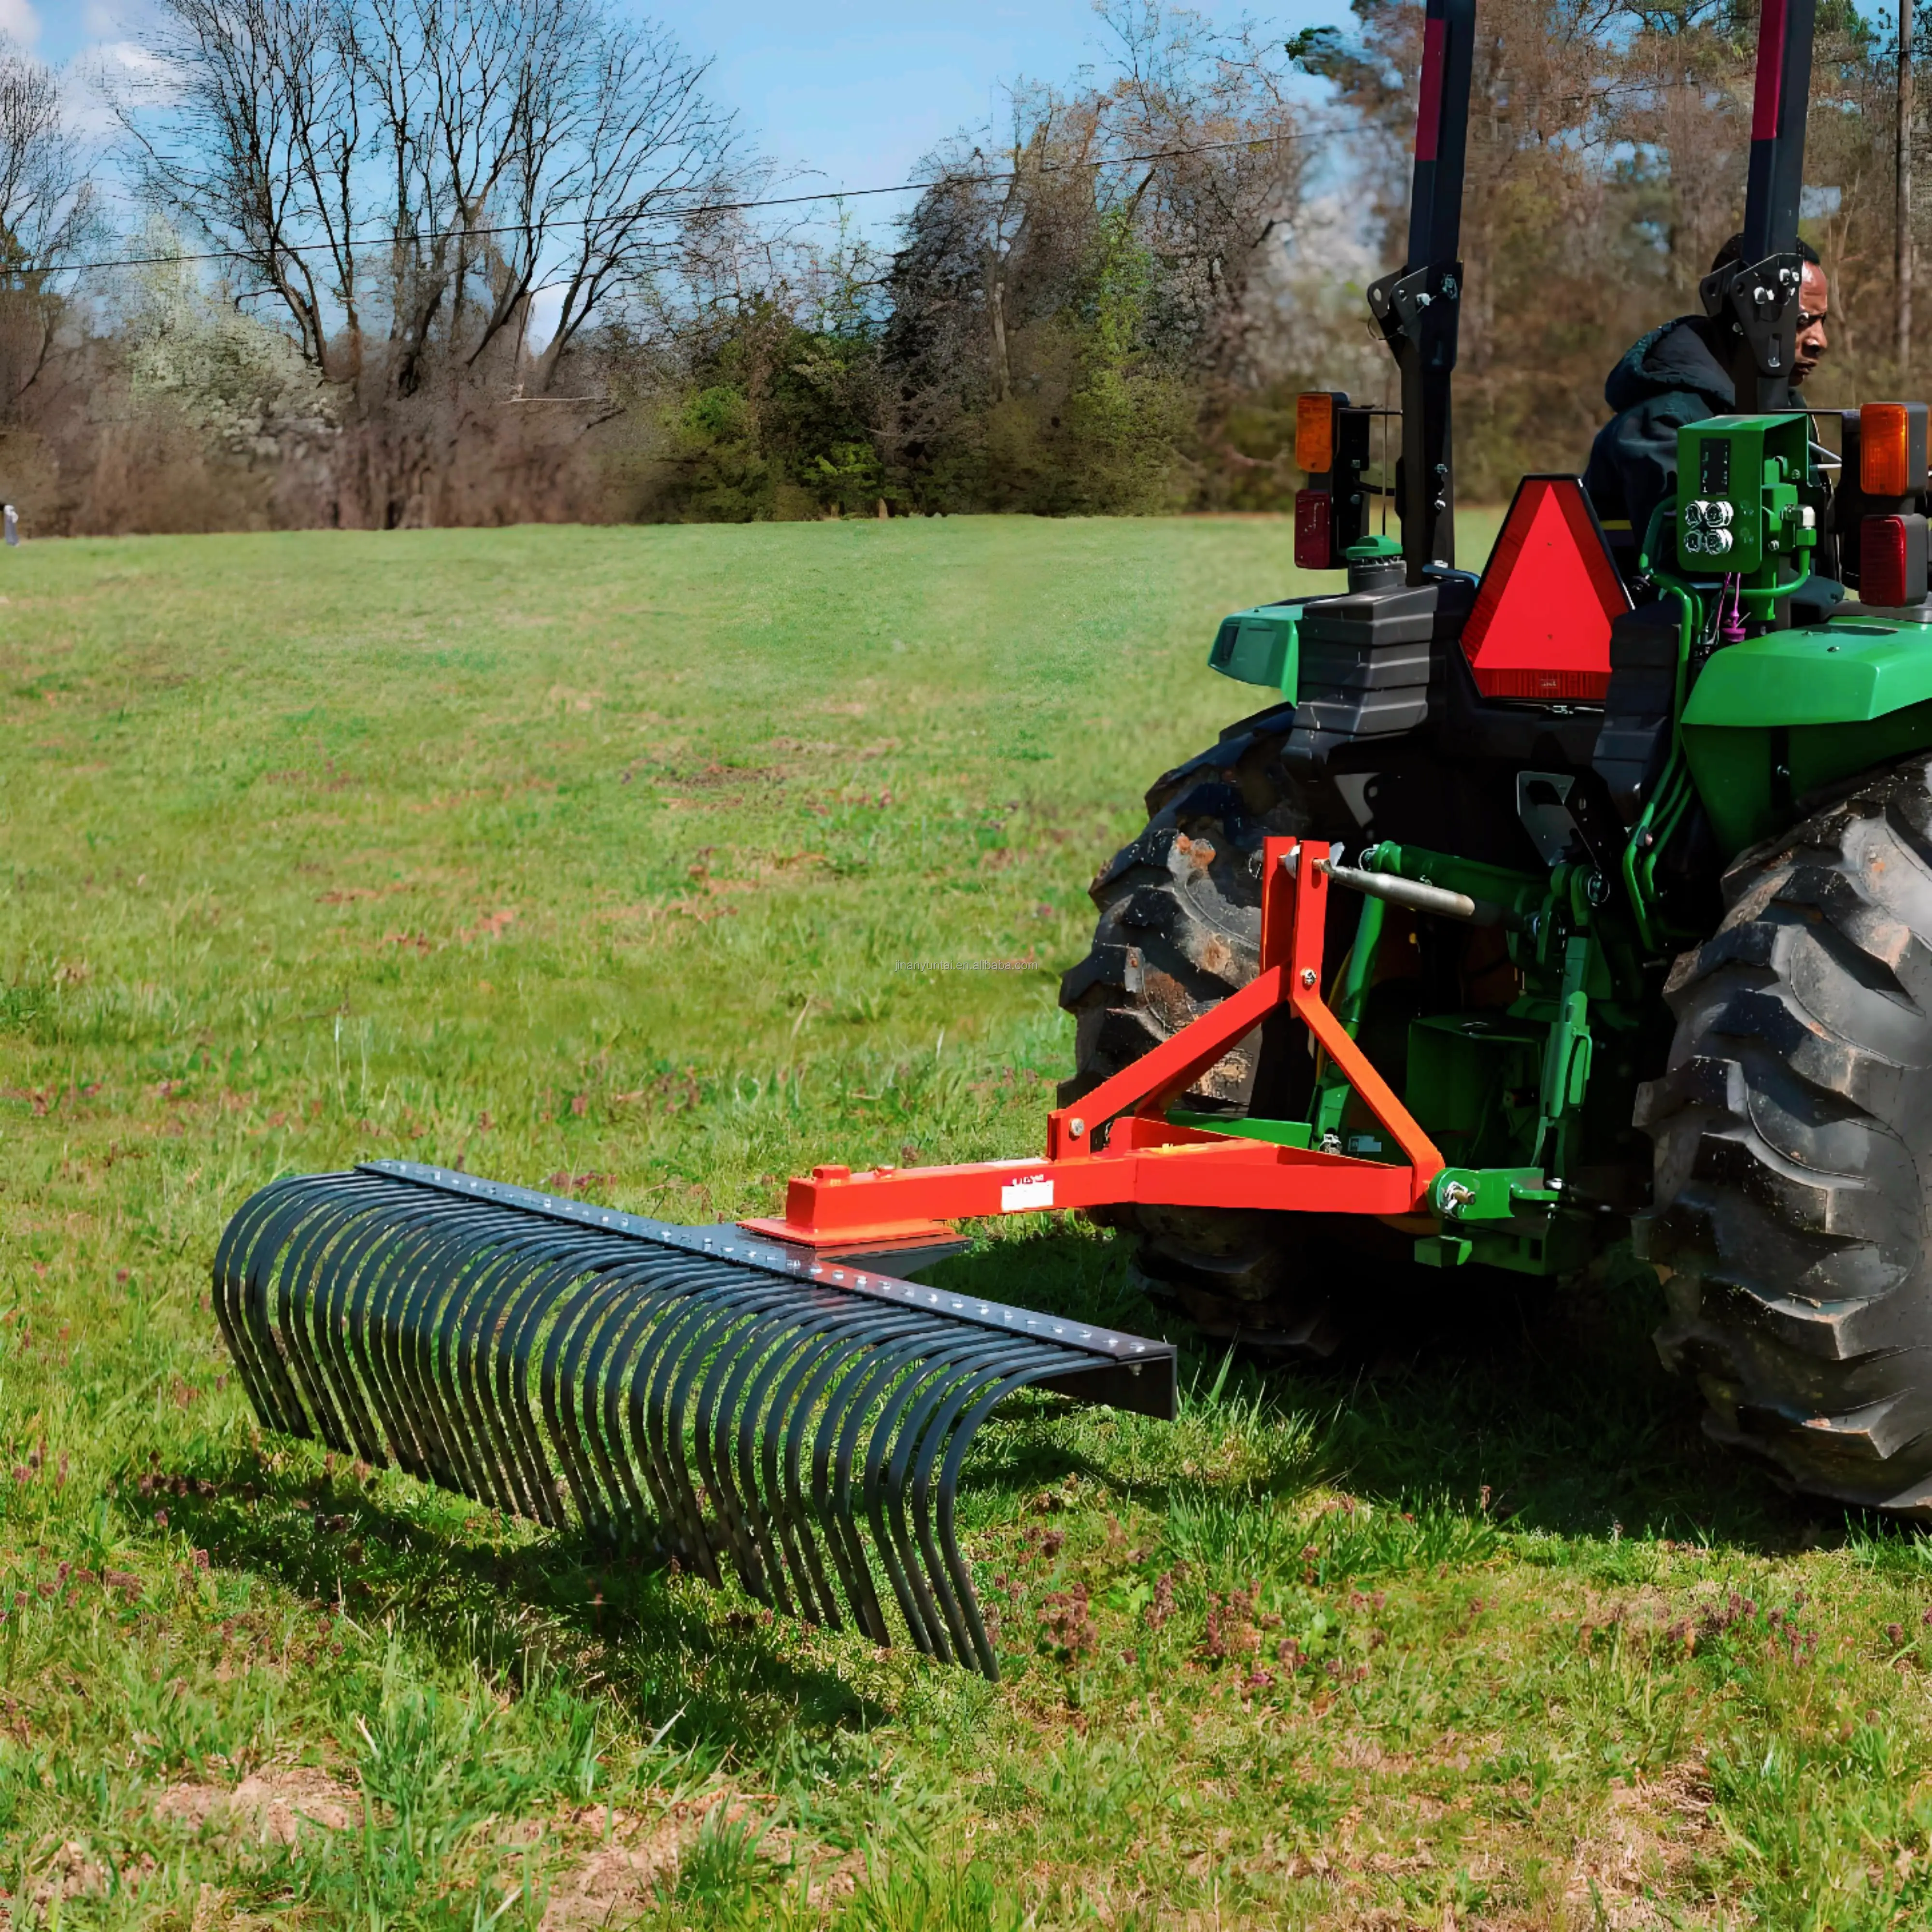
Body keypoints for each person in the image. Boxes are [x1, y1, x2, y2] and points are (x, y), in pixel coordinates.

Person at [1583, 235, 1831, 545]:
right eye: (1801, 321)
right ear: (1741, 315)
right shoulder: (1664, 423)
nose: (1819, 341)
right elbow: (1698, 563)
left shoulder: (1787, 411)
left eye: (1822, 321)